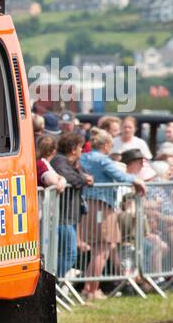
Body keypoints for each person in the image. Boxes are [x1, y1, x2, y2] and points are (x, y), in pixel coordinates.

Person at [78, 128, 146, 300]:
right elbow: (119, 175)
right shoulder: (102, 160)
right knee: (103, 249)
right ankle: (92, 290)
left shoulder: (83, 157)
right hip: (101, 207)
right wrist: (136, 180)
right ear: (106, 145)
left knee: (97, 250)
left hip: (87, 206)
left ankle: (89, 288)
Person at [50, 131, 92, 280]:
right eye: (81, 147)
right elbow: (72, 179)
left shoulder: (71, 163)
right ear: (74, 148)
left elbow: (84, 177)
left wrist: (83, 176)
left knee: (68, 254)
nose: (82, 150)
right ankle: (52, 286)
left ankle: (55, 286)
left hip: (70, 216)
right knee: (69, 254)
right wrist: (83, 179)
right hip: (62, 217)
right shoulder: (59, 161)